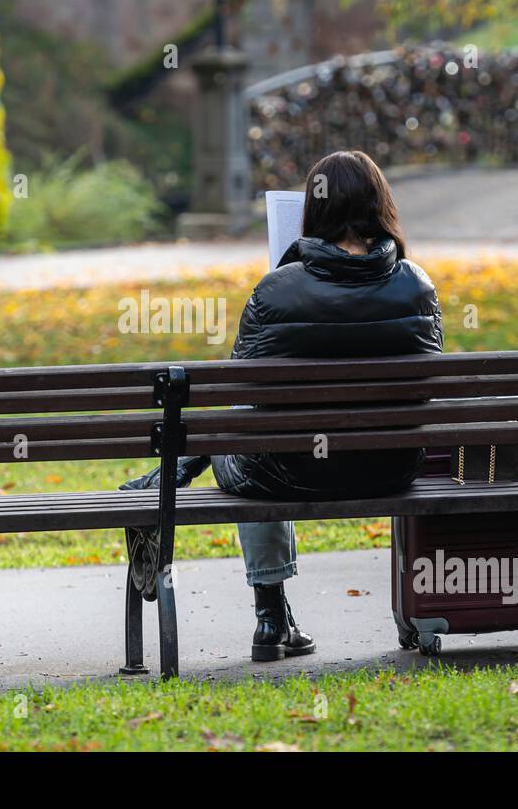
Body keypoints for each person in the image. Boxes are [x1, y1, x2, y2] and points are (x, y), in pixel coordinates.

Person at [123, 150, 444, 662]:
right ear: (381, 206)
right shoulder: (416, 284)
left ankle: (271, 618)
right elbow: (428, 381)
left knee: (251, 430)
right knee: (257, 428)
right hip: (391, 467)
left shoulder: (277, 291)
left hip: (286, 473)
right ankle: (178, 475)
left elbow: (235, 392)